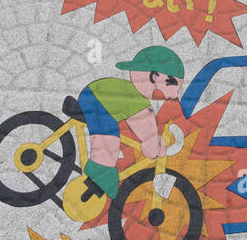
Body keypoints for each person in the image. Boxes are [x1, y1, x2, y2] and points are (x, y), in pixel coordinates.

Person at [79, 45, 185, 201]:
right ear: (155, 77)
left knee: (111, 136)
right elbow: (146, 130)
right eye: (173, 85)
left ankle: (97, 180)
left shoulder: (136, 97)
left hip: (94, 96)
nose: (174, 95)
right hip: (95, 100)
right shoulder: (136, 100)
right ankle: (98, 175)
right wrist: (153, 144)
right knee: (109, 141)